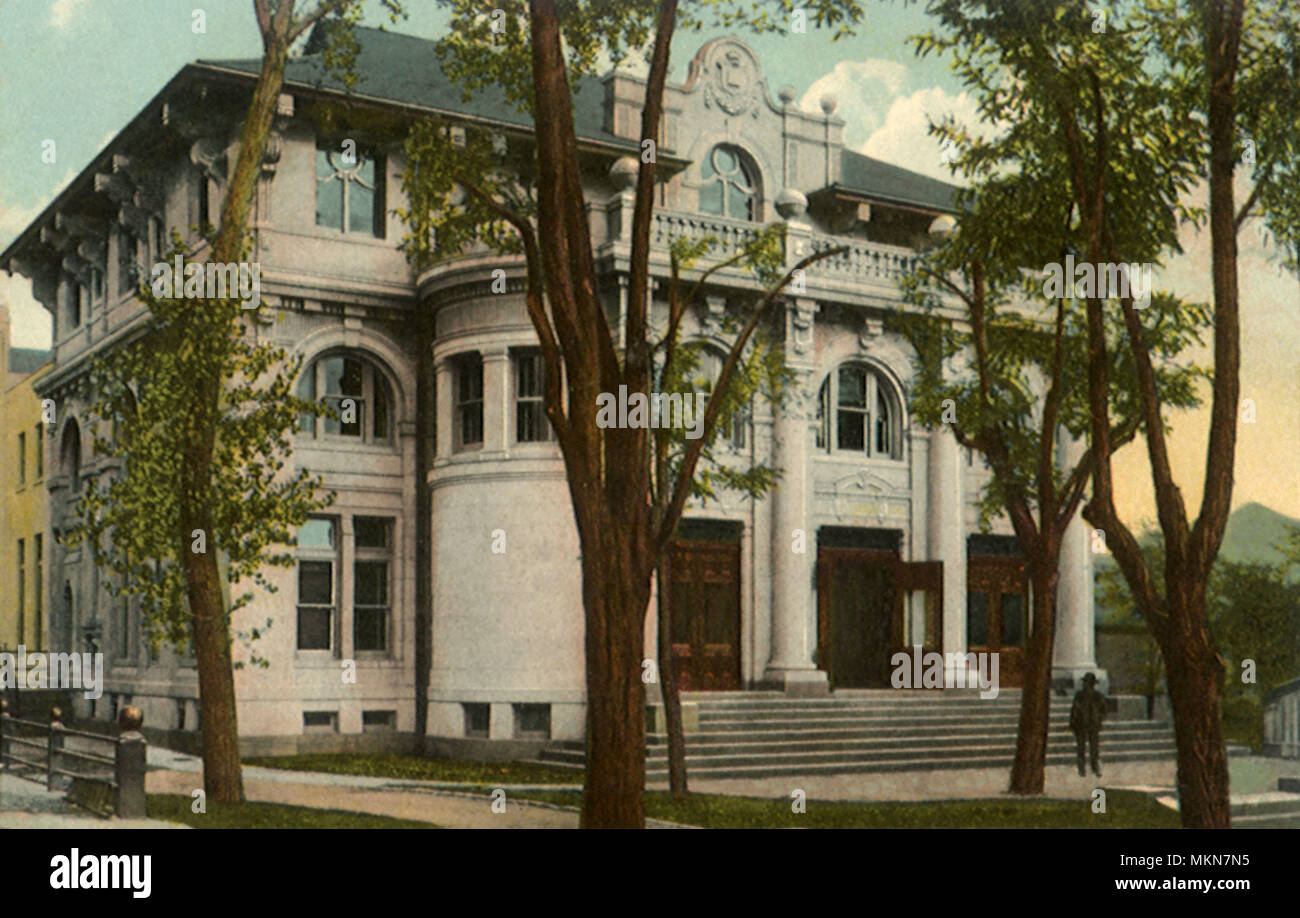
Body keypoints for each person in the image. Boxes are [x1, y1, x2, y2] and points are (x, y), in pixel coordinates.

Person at [1070, 672, 1108, 777]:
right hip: (1081, 724)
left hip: (1093, 724)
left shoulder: (1098, 696)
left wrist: (1099, 719)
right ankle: (1082, 769)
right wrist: (1073, 722)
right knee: (1081, 748)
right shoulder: (1079, 695)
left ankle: (1094, 767)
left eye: (1087, 683)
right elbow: (1074, 710)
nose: (1085, 685)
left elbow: (1103, 710)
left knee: (1094, 748)